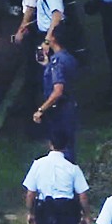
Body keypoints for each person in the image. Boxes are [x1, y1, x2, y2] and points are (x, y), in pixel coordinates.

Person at [33, 29, 79, 162]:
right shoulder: (69, 58)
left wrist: (41, 109)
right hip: (70, 106)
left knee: (60, 147)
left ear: (54, 39)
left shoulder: (57, 61)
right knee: (70, 144)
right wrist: (47, 65)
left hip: (59, 110)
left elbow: (58, 90)